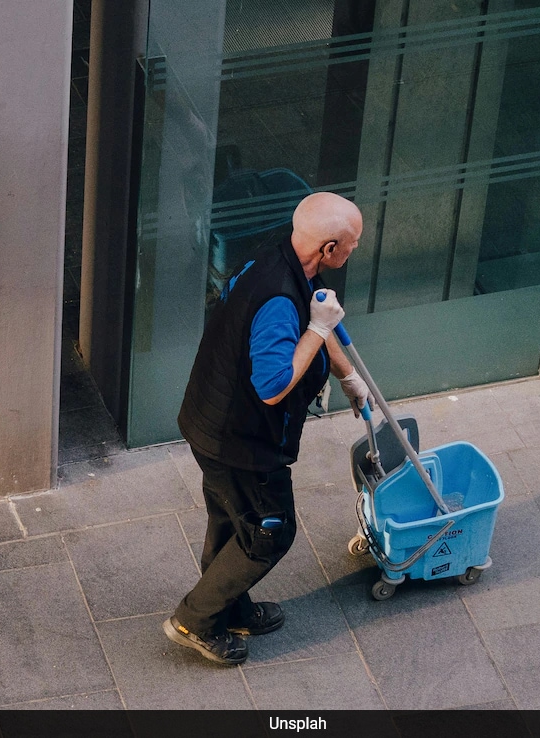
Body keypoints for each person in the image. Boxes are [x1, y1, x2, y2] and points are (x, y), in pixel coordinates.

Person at [165, 192, 373, 665]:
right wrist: (318, 331)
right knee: (267, 532)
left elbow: (317, 316)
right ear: (328, 248)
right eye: (353, 242)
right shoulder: (279, 297)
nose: (356, 248)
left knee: (232, 517)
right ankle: (195, 620)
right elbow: (273, 387)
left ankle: (229, 606)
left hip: (211, 420)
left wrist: (347, 375)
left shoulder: (278, 258)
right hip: (241, 442)